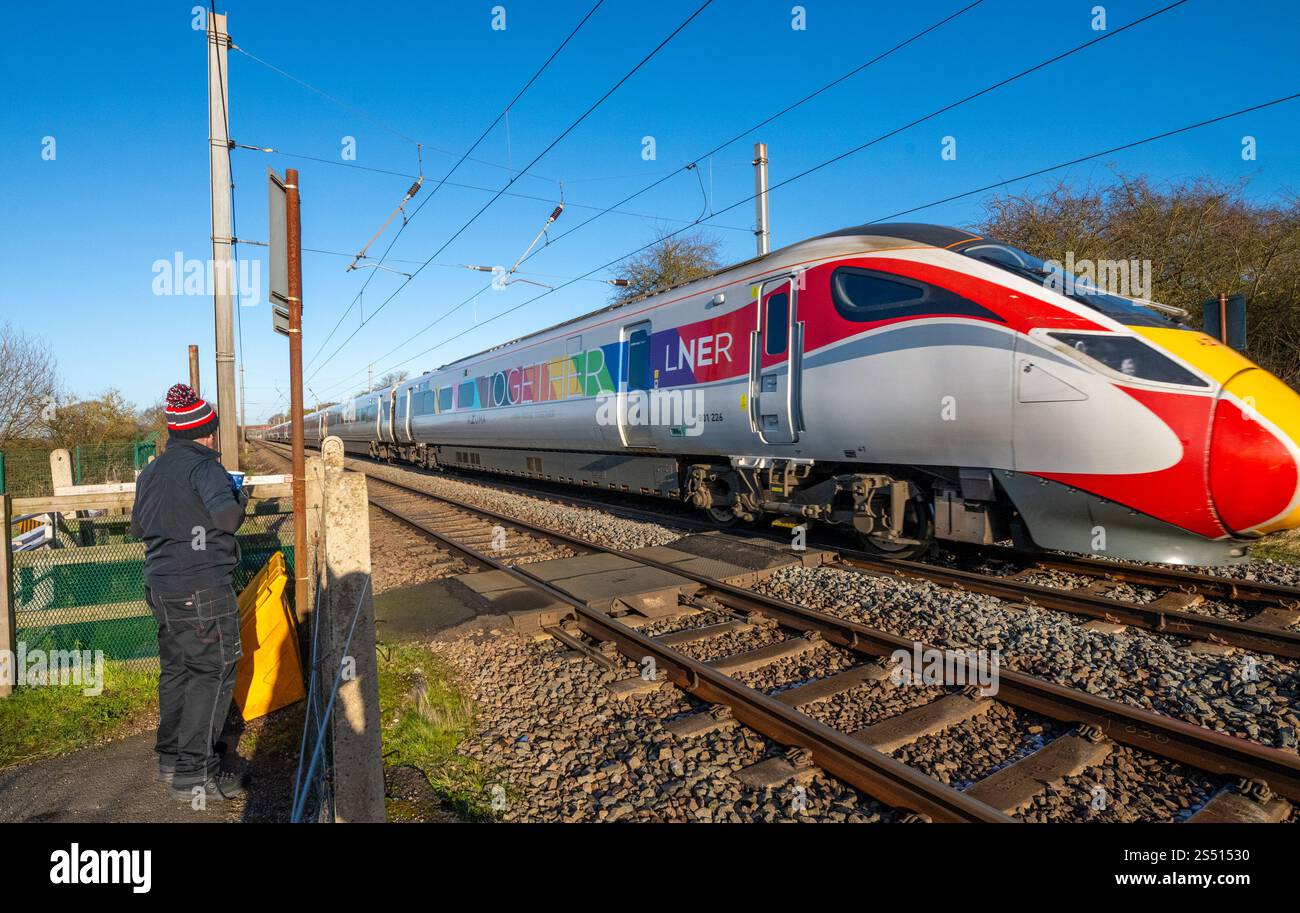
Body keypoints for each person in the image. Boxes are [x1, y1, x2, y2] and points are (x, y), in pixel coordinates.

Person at [130, 384, 250, 801]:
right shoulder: (205, 469)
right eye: (214, 430)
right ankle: (194, 775)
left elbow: (141, 530)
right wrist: (239, 496)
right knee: (212, 674)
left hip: (159, 587)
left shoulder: (151, 472)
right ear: (208, 432)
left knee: (178, 670)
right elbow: (227, 520)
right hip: (201, 588)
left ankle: (170, 758)